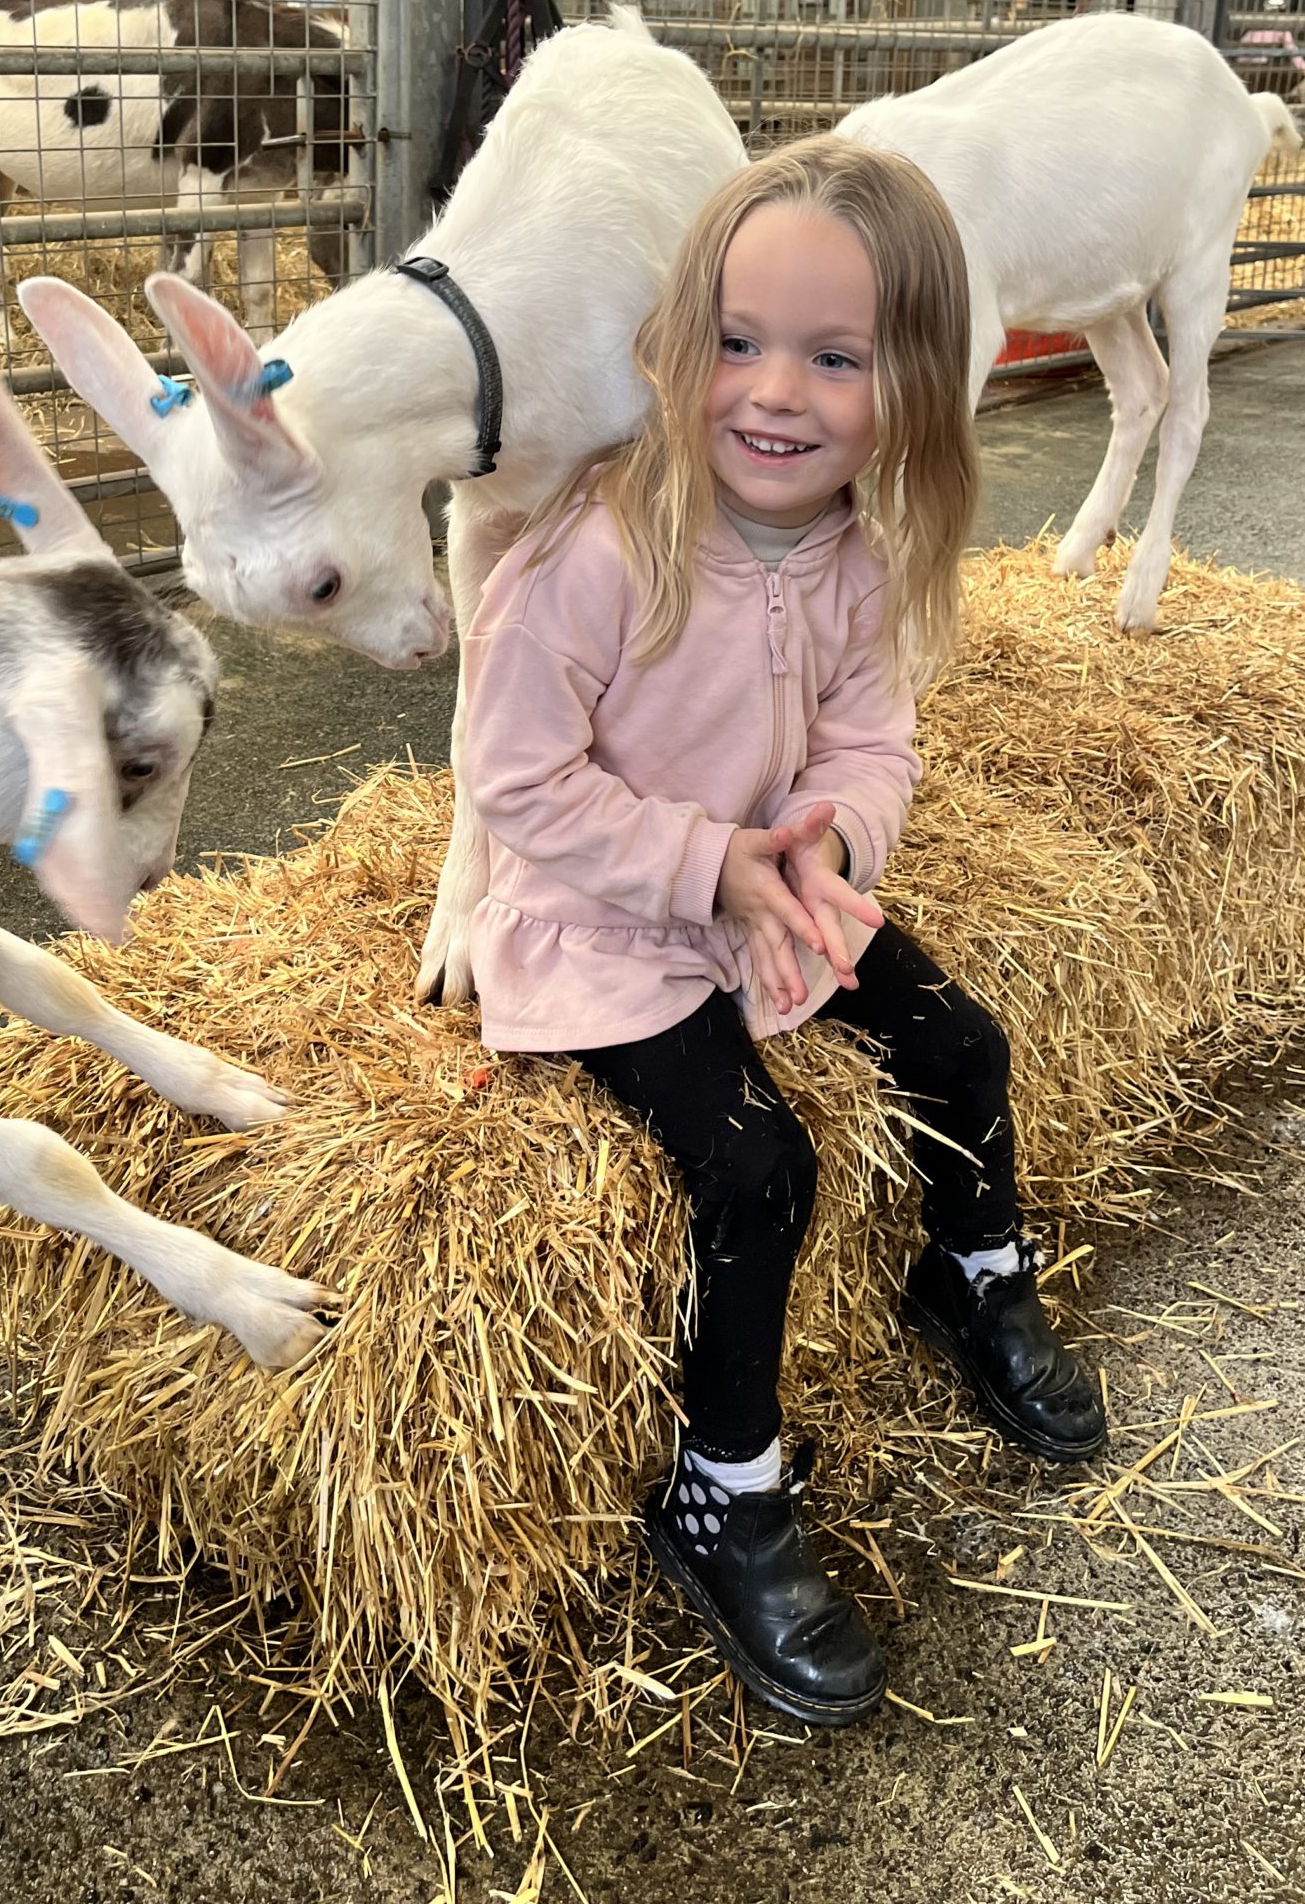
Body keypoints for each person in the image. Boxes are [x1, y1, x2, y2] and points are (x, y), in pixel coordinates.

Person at [460, 136, 1107, 1730]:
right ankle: (723, 1485)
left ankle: (977, 1267)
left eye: (835, 358)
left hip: (772, 886)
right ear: (680, 344)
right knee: (761, 1168)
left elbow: (874, 743)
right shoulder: (594, 553)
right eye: (738, 344)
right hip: (610, 920)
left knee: (961, 1041)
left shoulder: (861, 557)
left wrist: (831, 837)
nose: (774, 393)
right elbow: (514, 778)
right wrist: (703, 863)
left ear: (915, 388)